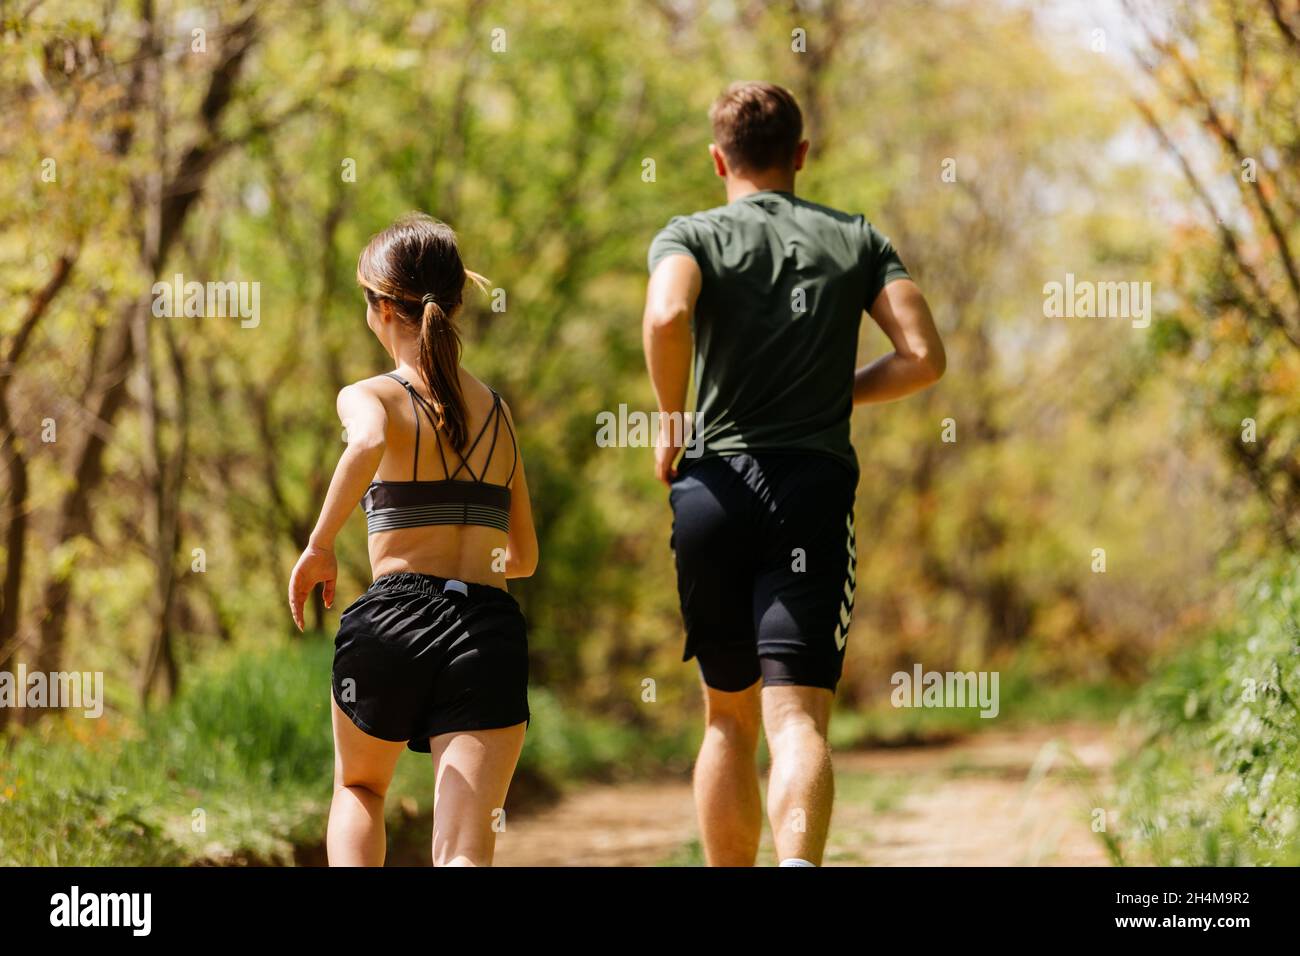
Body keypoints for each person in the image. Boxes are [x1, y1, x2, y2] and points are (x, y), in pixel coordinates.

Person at [643, 81, 945, 866]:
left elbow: (667, 315)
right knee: (797, 722)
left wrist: (673, 420)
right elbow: (924, 357)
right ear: (801, 154)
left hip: (713, 492)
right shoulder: (857, 238)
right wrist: (835, 387)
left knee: (725, 720)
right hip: (809, 494)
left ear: (718, 160)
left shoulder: (691, 234)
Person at [288, 213, 538, 867]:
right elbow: (525, 556)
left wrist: (319, 546)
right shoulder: (497, 413)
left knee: (361, 786)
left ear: (378, 308)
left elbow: (367, 442)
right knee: (464, 851)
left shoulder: (370, 394)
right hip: (486, 630)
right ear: (454, 304)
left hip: (392, 620)